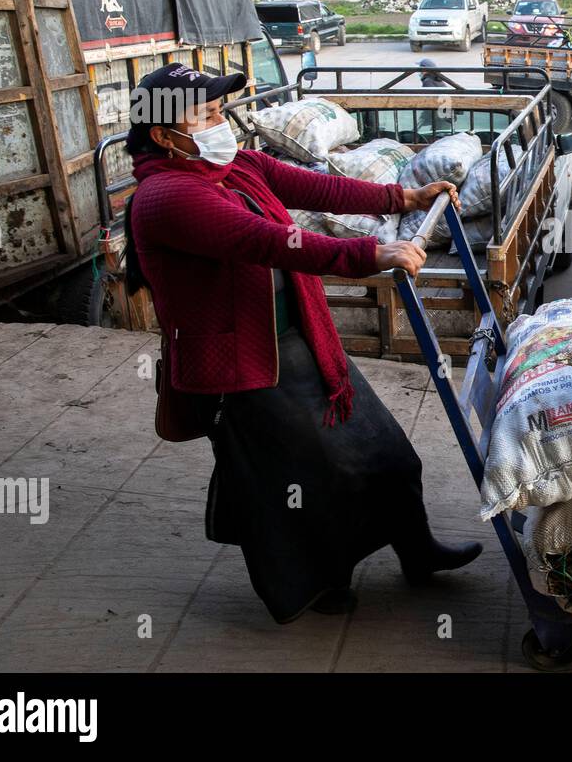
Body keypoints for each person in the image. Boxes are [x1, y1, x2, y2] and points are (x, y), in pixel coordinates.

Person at [122, 62, 482, 624]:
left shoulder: (237, 167)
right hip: (242, 366)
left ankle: (418, 550)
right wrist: (370, 254)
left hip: (299, 336)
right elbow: (266, 241)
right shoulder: (167, 197)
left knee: (386, 452)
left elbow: (319, 185)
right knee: (302, 482)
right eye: (209, 116)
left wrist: (404, 199)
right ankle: (317, 584)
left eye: (222, 112)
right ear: (167, 136)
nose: (224, 125)